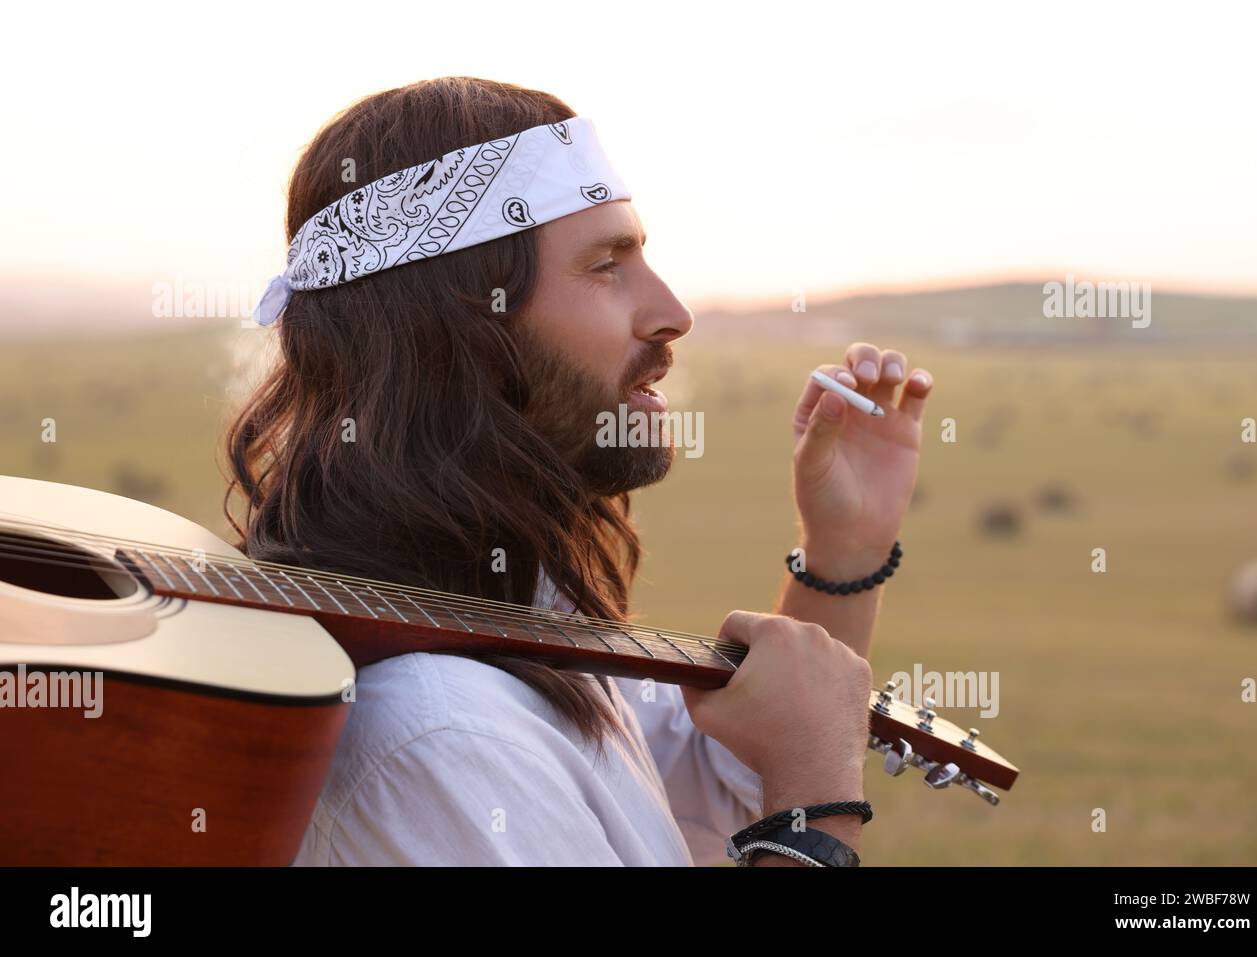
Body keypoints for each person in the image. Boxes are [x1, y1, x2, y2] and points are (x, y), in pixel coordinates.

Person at [224, 76, 933, 866]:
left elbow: (714, 783)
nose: (672, 310)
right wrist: (817, 804)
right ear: (459, 329)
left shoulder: (508, 601)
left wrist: (845, 549)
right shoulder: (438, 734)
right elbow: (776, 790)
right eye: (605, 266)